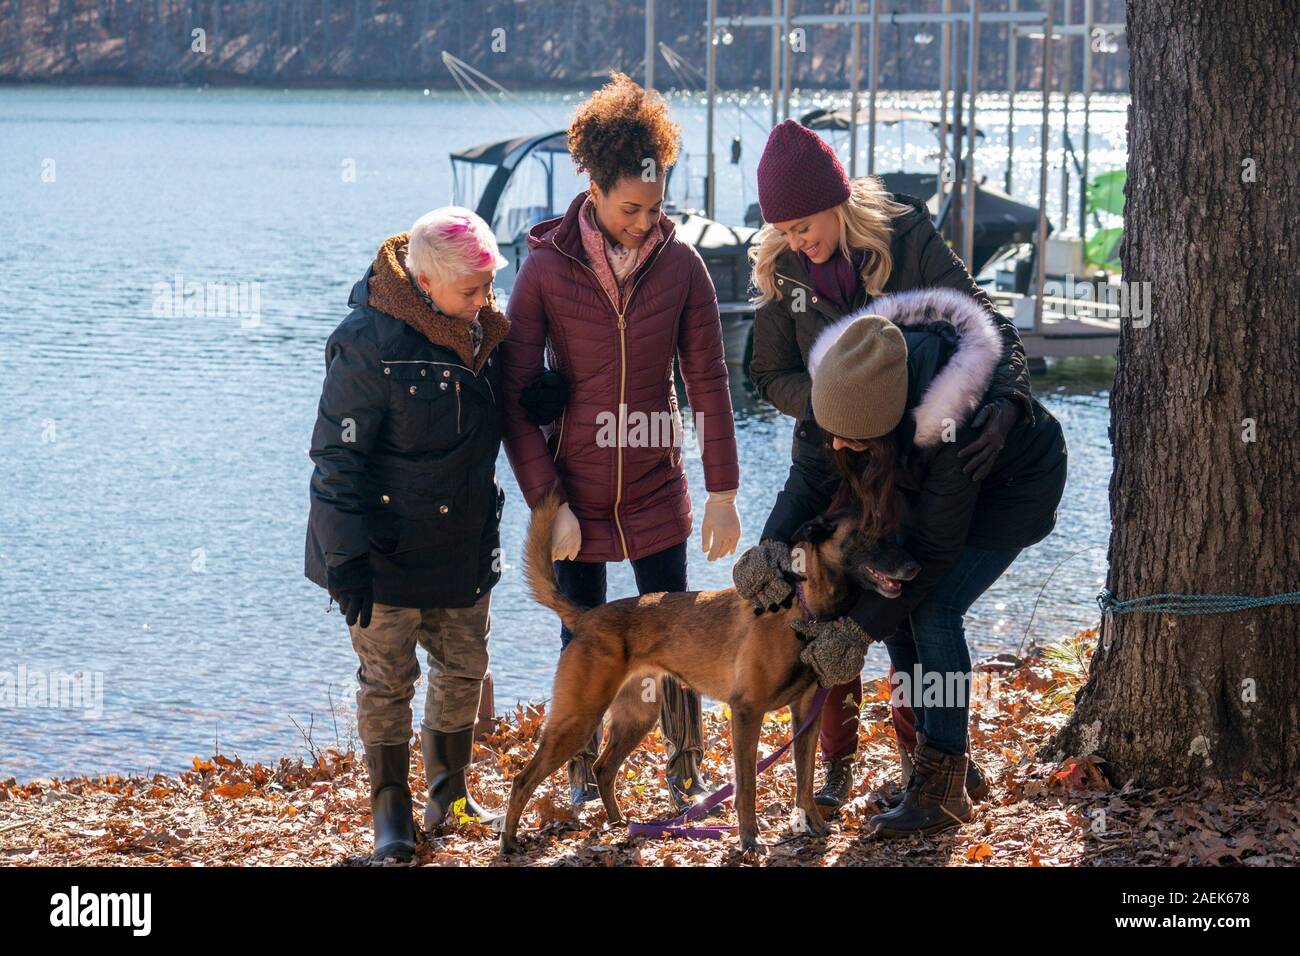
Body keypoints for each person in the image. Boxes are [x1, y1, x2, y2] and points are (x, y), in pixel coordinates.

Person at [746, 118, 1036, 809]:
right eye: (783, 228)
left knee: (910, 604)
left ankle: (930, 760)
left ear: (838, 199)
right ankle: (836, 764)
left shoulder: (906, 240)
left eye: (805, 222)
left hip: (916, 465)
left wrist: (1011, 404)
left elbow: (987, 327)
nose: (797, 239)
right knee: (827, 606)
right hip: (832, 460)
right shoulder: (784, 273)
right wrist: (827, 408)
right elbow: (764, 372)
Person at [734, 287, 1067, 836]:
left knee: (931, 608)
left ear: (886, 429)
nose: (836, 444)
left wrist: (853, 632)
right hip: (924, 483)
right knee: (895, 605)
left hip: (1010, 488)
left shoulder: (949, 424)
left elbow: (933, 553)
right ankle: (945, 762)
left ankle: (943, 788)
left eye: (853, 439)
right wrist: (771, 549)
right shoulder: (842, 389)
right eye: (832, 432)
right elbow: (808, 478)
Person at [501, 73, 741, 811]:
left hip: (656, 487)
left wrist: (722, 490)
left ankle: (684, 767)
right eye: (631, 208)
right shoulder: (543, 269)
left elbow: (708, 378)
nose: (644, 222)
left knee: (679, 639)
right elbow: (513, 399)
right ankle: (577, 771)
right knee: (587, 643)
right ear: (595, 191)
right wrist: (550, 504)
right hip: (574, 492)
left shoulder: (683, 266)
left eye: (656, 206)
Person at [305, 207, 511, 862]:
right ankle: (391, 809)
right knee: (387, 680)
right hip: (382, 550)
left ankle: (448, 794)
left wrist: (534, 398)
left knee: (464, 664)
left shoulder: (484, 332)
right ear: (424, 281)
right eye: (471, 291)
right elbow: (337, 461)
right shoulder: (365, 341)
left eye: (488, 288)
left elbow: (495, 421)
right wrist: (345, 562)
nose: (483, 303)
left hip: (463, 541)